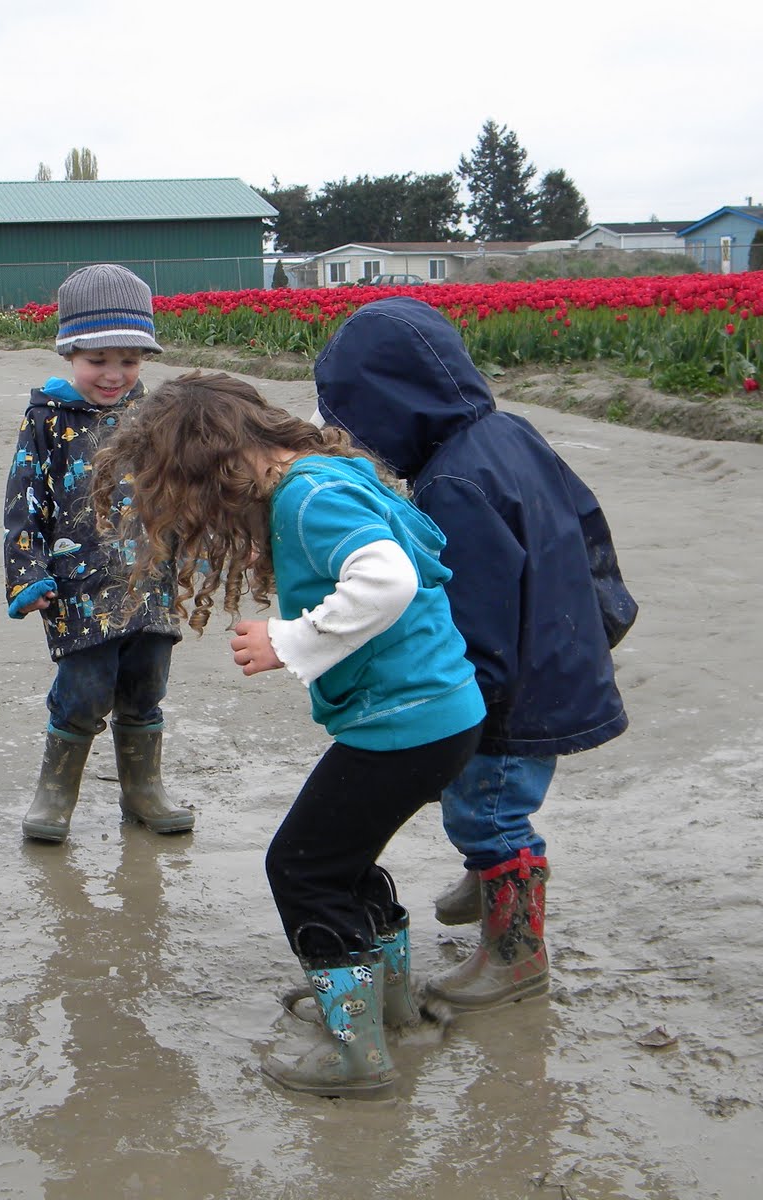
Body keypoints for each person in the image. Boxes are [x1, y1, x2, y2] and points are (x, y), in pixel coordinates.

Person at [91, 371, 485, 1099]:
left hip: (406, 720)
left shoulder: (308, 496)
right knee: (346, 861)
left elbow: (388, 580)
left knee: (301, 868)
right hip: (442, 714)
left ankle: (355, 1047)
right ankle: (388, 1006)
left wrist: (290, 640)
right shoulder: (326, 472)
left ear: (218, 463)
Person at [312, 296, 637, 1012]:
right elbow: (589, 527)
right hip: (561, 650)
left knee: (490, 812)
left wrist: (464, 708)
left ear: (391, 408)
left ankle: (516, 951)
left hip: (510, 687)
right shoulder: (511, 434)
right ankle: (488, 876)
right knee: (489, 808)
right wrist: (607, 618)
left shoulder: (451, 484)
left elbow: (476, 614)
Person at [4, 264, 193, 844]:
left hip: (149, 579)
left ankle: (143, 790)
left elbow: (182, 489)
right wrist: (27, 575)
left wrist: (197, 553)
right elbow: (23, 499)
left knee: (145, 687)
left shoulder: (160, 416)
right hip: (80, 588)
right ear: (68, 353)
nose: (114, 375)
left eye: (129, 361)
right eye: (98, 360)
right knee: (84, 691)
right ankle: (55, 793)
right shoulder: (47, 420)